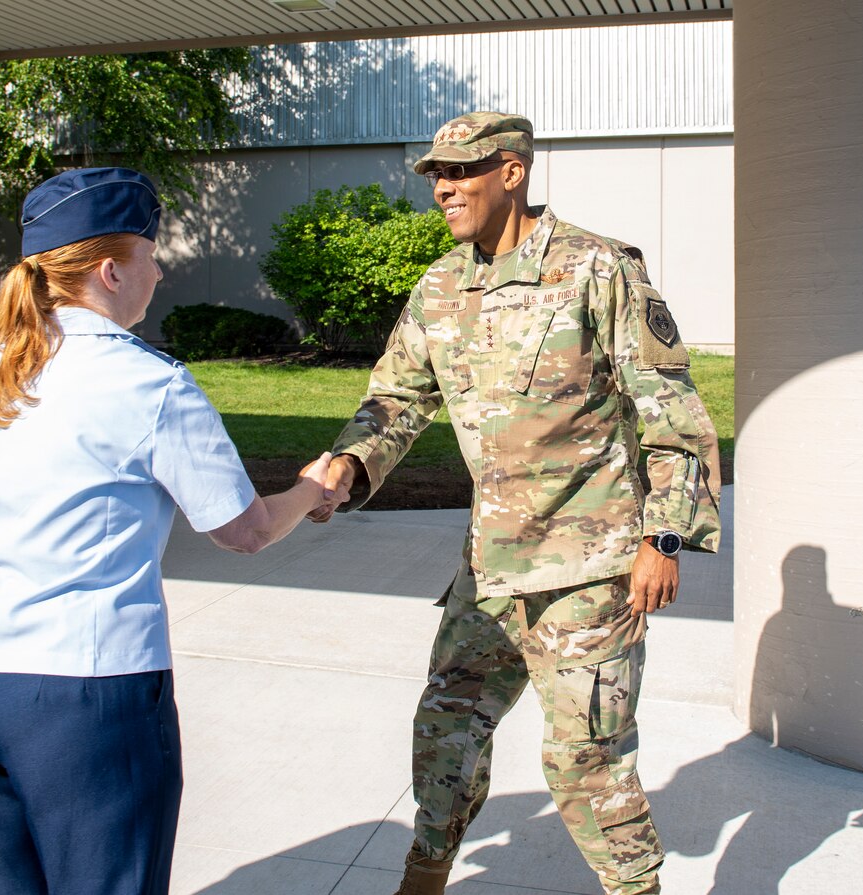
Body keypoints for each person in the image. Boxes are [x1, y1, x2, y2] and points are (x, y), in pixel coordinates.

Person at [310, 113, 722, 895]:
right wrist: (348, 465)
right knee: (445, 731)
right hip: (489, 570)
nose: (443, 188)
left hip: (587, 572)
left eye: (460, 171)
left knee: (586, 762)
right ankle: (423, 878)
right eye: (436, 174)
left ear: (512, 171)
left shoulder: (597, 268)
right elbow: (397, 398)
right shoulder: (442, 286)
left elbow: (671, 411)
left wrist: (663, 537)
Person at [0, 167, 337, 895]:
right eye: (150, 256)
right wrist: (311, 490)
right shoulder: (150, 382)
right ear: (109, 271)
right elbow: (245, 531)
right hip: (88, 698)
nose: (159, 272)